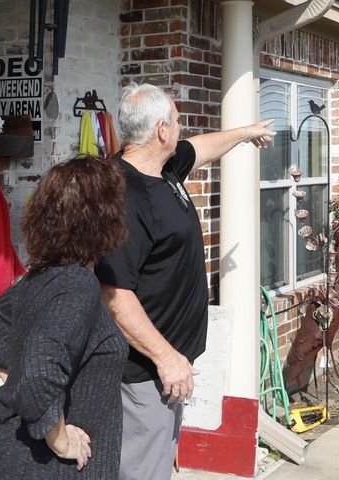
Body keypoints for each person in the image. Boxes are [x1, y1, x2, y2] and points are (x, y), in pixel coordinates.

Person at [95, 83, 275, 480]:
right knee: (141, 471)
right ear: (161, 130)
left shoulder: (164, 168)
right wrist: (166, 358)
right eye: (177, 122)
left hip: (171, 366)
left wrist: (246, 133)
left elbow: (203, 147)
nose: (181, 130)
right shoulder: (123, 195)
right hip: (145, 371)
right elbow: (114, 294)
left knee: (159, 464)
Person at [0, 156, 129, 479]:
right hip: (40, 466)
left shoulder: (40, 278)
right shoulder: (78, 284)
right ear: (102, 219)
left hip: (4, 455)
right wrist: (60, 440)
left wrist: (17, 374)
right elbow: (40, 368)